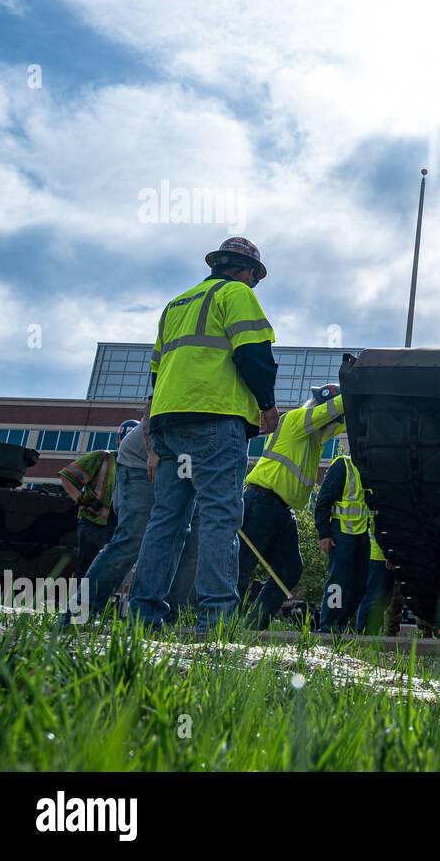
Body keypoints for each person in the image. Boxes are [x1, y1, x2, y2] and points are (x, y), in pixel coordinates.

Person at [129, 238, 279, 630]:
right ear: (247, 272)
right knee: (219, 517)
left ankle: (143, 616)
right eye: (254, 277)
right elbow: (253, 355)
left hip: (169, 423)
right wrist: (267, 405)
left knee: (167, 519)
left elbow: (156, 373)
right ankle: (214, 620)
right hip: (215, 418)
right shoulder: (237, 294)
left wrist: (150, 439)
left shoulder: (175, 305)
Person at [66, 420, 200, 624]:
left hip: (180, 466)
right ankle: (79, 613)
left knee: (179, 539)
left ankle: (155, 618)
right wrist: (152, 451)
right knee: (132, 539)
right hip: (143, 462)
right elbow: (150, 409)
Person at [238, 384, 345, 629]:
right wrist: (354, 392)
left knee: (289, 569)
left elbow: (341, 422)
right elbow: (331, 414)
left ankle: (254, 626)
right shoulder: (297, 419)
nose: (333, 429)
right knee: (241, 565)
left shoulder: (312, 437)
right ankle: (221, 623)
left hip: (280, 511)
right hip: (263, 502)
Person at [314, 445, 376, 631]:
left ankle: (341, 624)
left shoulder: (372, 470)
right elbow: (323, 500)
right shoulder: (343, 465)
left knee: (359, 586)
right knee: (337, 583)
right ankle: (327, 626)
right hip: (340, 534)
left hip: (361, 536)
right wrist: (324, 533)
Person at [58, 439, 119, 577]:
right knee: (88, 571)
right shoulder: (102, 457)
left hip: (121, 527)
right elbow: (67, 476)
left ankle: (96, 598)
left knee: (109, 573)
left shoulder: (140, 463)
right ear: (119, 440)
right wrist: (82, 499)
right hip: (95, 523)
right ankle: (82, 598)